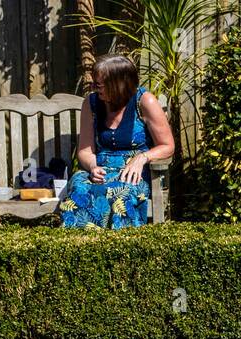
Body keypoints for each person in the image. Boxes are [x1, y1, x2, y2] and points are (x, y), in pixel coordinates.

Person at [60, 54, 174, 229]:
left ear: (117, 84)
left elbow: (167, 146)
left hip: (133, 173)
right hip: (101, 170)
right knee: (79, 185)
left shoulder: (144, 101)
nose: (93, 88)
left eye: (98, 85)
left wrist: (142, 158)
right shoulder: (91, 103)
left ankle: (120, 249)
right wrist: (92, 167)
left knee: (122, 193)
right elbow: (84, 150)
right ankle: (79, 247)